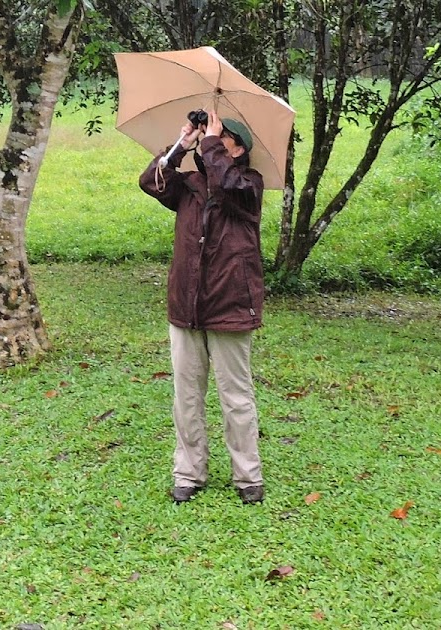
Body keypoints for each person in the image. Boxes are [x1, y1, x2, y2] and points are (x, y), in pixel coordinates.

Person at [139, 109, 266, 505]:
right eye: (211, 132)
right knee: (186, 396)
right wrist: (181, 145)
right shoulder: (190, 185)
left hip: (229, 304)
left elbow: (228, 183)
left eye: (221, 135)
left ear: (238, 148)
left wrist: (209, 143)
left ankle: (248, 477)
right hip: (187, 303)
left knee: (236, 397)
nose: (211, 136)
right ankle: (189, 473)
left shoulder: (248, 184)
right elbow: (151, 182)